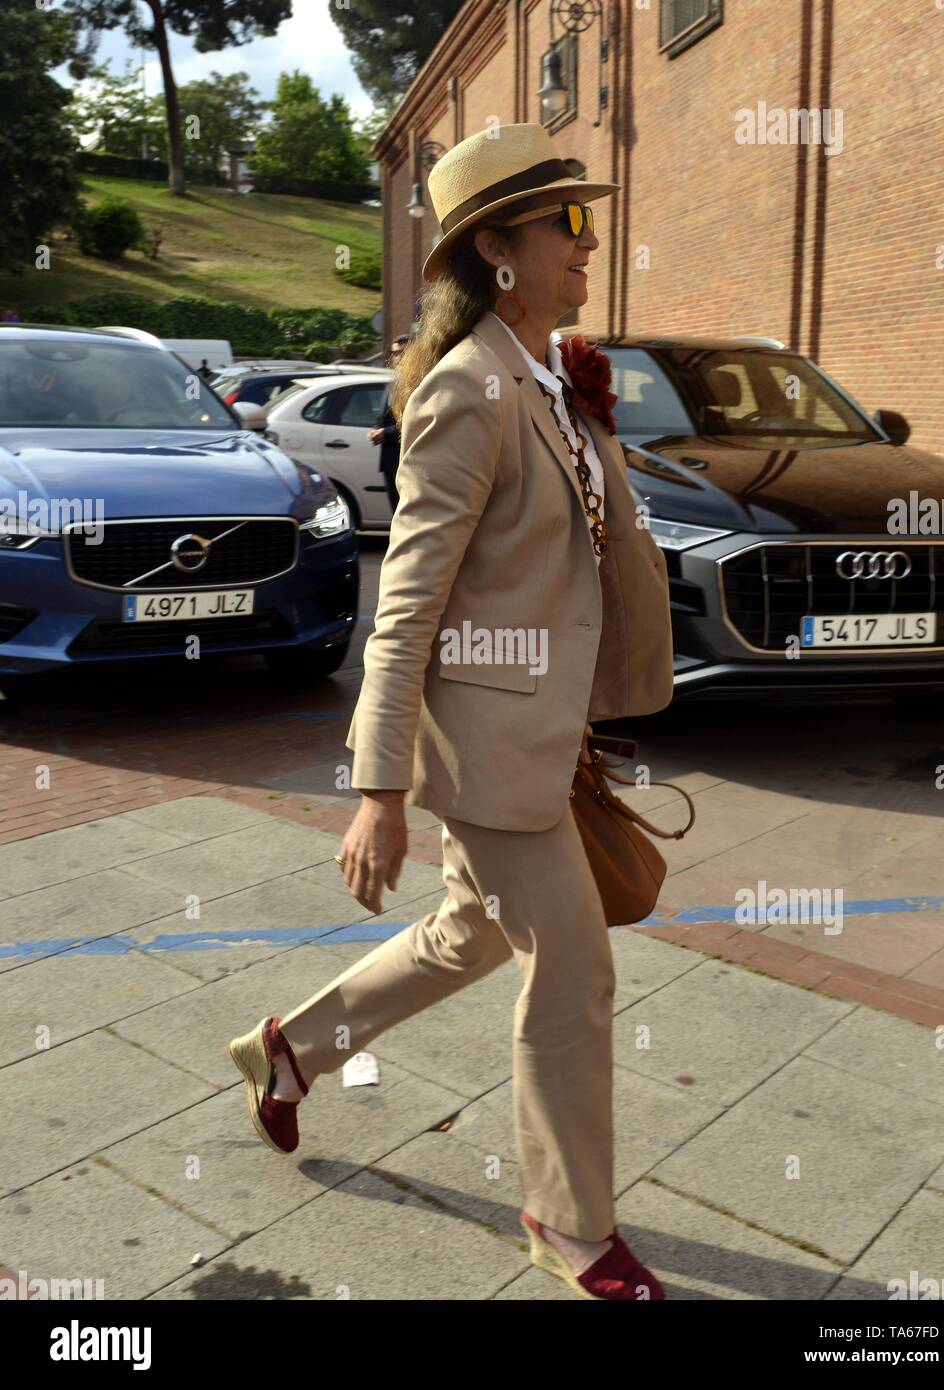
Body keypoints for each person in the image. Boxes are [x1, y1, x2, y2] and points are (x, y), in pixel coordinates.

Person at [229, 123, 675, 1301]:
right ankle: (568, 1224)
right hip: (485, 747)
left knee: (466, 934)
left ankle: (289, 1049)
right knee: (571, 972)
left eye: (586, 216)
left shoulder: (551, 375)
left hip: (546, 729)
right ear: (499, 251)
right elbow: (407, 602)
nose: (590, 239)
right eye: (565, 221)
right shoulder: (468, 393)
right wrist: (377, 791)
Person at [367, 335, 408, 515]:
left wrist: (387, 433)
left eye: (401, 353)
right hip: (389, 460)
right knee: (396, 515)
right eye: (394, 353)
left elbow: (418, 422)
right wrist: (376, 430)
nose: (396, 358)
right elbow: (383, 415)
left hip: (406, 460)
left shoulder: (419, 383)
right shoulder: (393, 384)